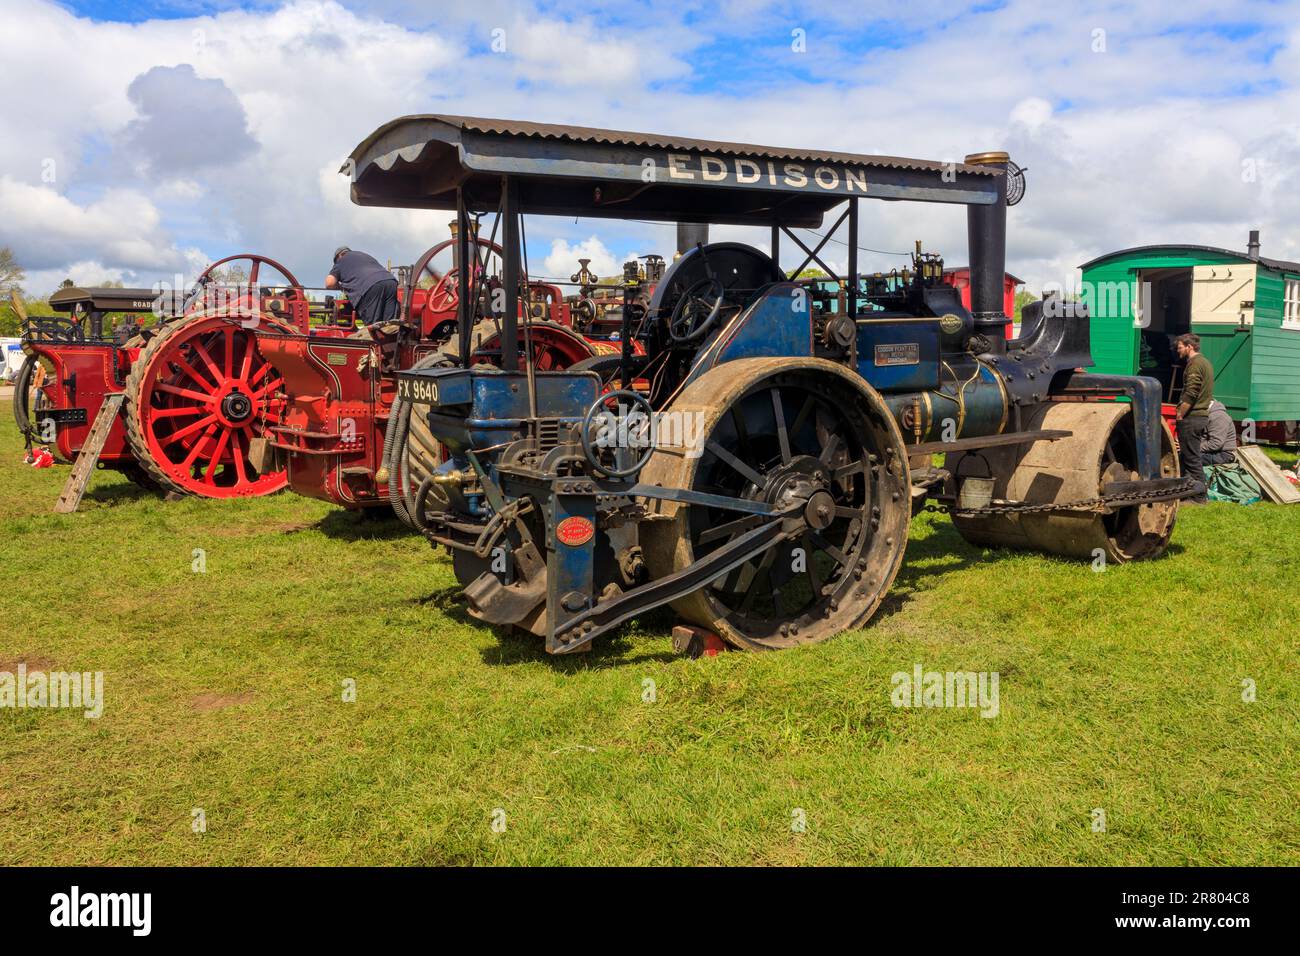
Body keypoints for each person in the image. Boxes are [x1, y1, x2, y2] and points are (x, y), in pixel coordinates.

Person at [1174, 332, 1214, 503]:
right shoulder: (1205, 362)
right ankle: (1190, 493)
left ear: (1189, 347)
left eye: (1180, 347)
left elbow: (1191, 392)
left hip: (1192, 416)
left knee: (1191, 458)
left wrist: (1180, 413)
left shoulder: (1195, 364)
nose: (1178, 350)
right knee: (1190, 456)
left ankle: (1198, 497)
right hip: (1200, 416)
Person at [325, 247, 398, 330]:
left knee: (374, 328)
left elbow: (329, 283)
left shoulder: (341, 260)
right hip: (391, 282)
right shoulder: (364, 255)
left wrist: (342, 287)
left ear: (339, 256)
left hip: (370, 287)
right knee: (390, 326)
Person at [1201, 399, 1237, 466]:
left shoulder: (1218, 416)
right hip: (1214, 452)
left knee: (1189, 459)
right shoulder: (1208, 414)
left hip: (1223, 454)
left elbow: (1216, 443)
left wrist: (1193, 448)